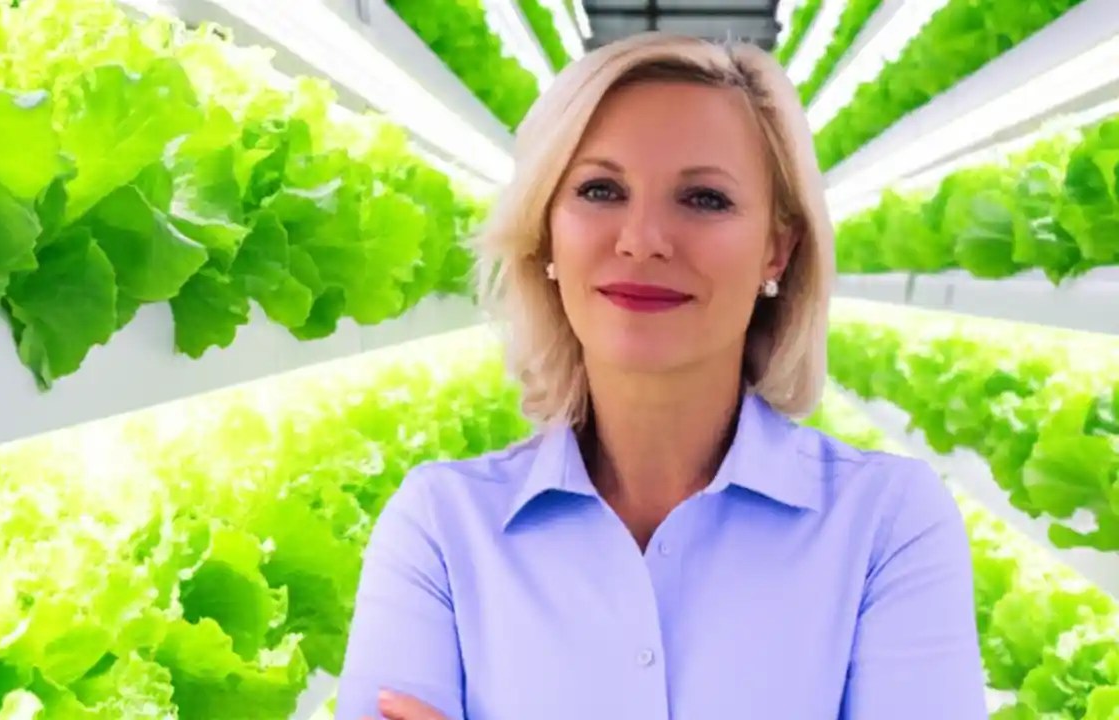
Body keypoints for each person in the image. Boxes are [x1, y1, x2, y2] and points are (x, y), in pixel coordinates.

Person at [333, 31, 987, 720]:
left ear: (777, 248)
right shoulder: (440, 527)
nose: (642, 238)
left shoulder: (887, 524)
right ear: (546, 231)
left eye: (704, 199)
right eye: (600, 189)